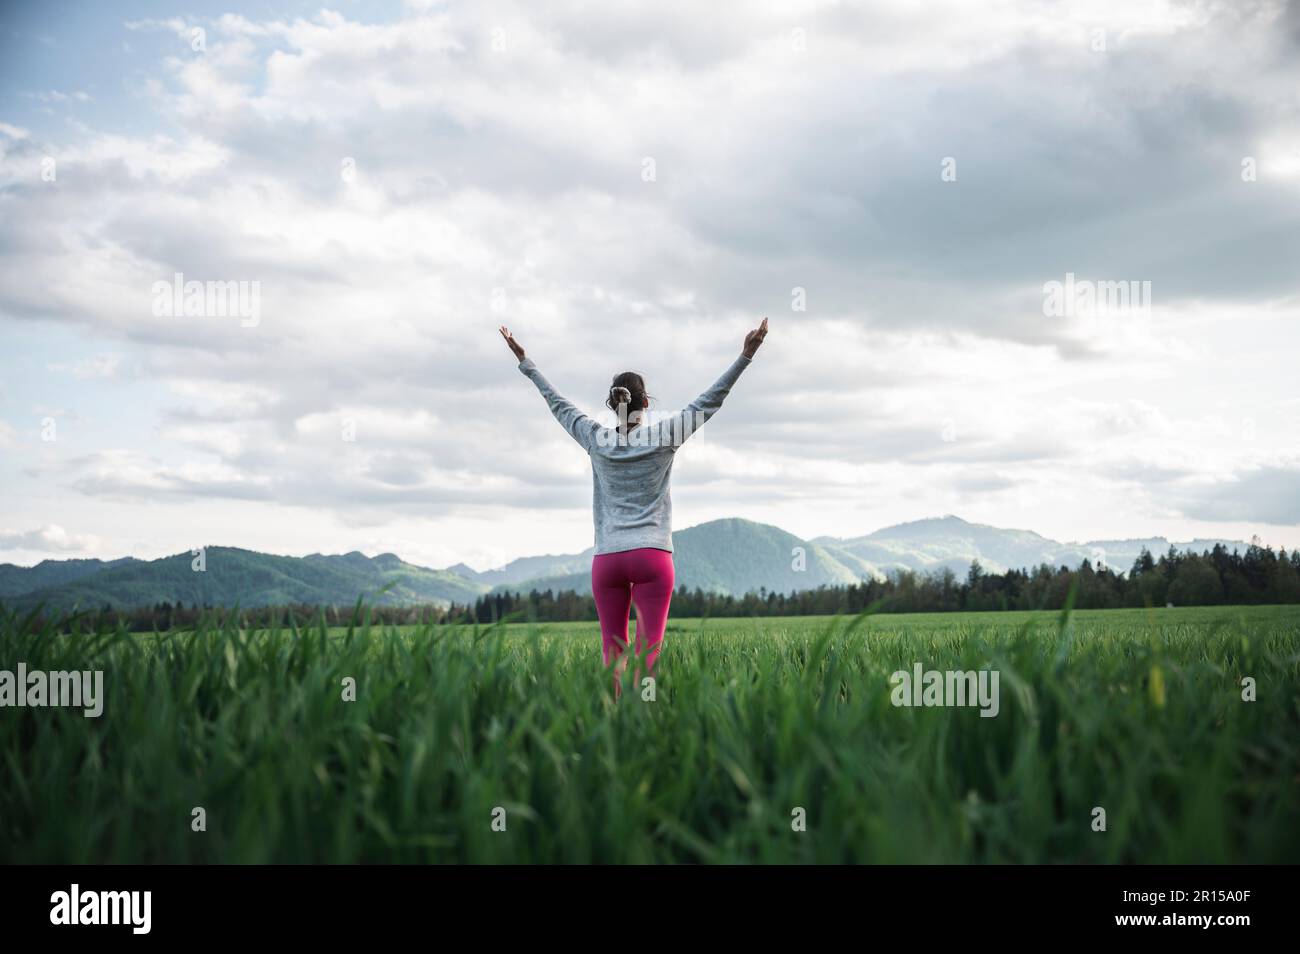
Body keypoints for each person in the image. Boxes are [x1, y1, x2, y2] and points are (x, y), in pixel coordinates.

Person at [499, 318, 768, 689]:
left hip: (607, 559)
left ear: (613, 405)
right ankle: (643, 722)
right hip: (651, 557)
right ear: (646, 402)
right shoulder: (663, 435)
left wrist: (526, 362)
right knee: (648, 654)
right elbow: (710, 401)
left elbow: (557, 404)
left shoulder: (596, 439)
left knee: (613, 654)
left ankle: (613, 724)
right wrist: (746, 355)